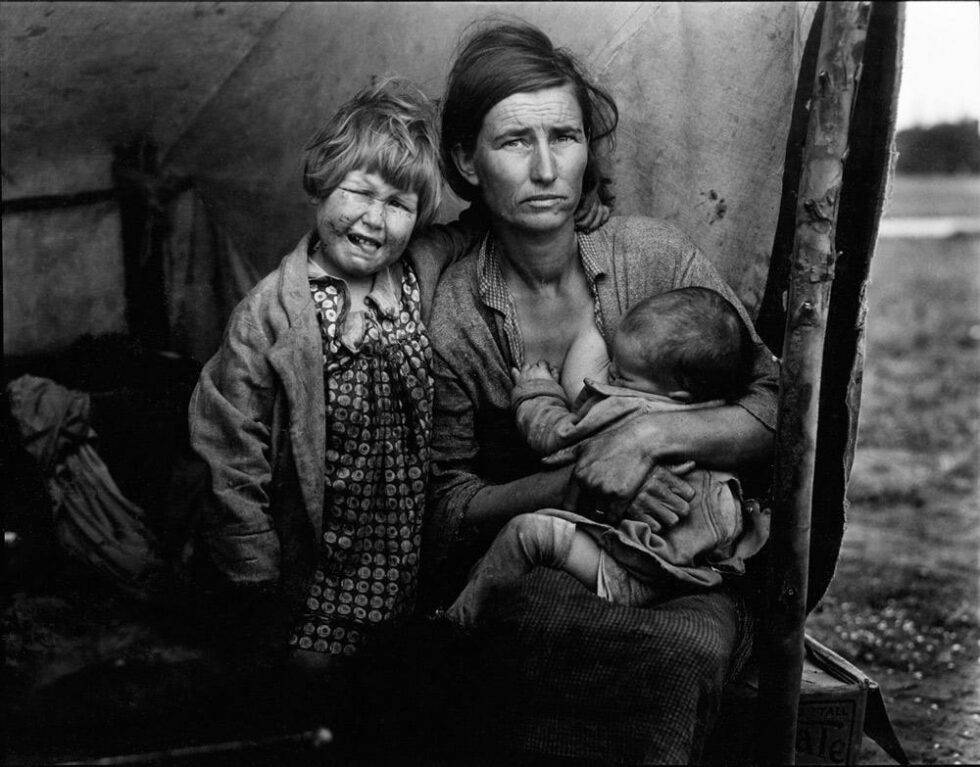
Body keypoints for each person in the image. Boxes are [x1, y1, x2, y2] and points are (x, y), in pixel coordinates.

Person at [423, 20, 780, 764]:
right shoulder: (458, 310)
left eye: (567, 136)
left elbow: (775, 406)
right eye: (516, 142)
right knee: (534, 638)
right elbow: (449, 509)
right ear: (466, 158)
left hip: (685, 564)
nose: (549, 167)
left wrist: (651, 437)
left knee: (680, 652)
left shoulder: (653, 256)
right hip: (549, 562)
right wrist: (580, 487)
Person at [446, 287, 772, 628]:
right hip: (691, 570)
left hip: (633, 574)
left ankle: (458, 621)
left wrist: (535, 390)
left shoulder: (633, 408)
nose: (611, 376)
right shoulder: (717, 417)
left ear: (675, 393)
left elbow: (556, 438)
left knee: (526, 534)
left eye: (621, 376)